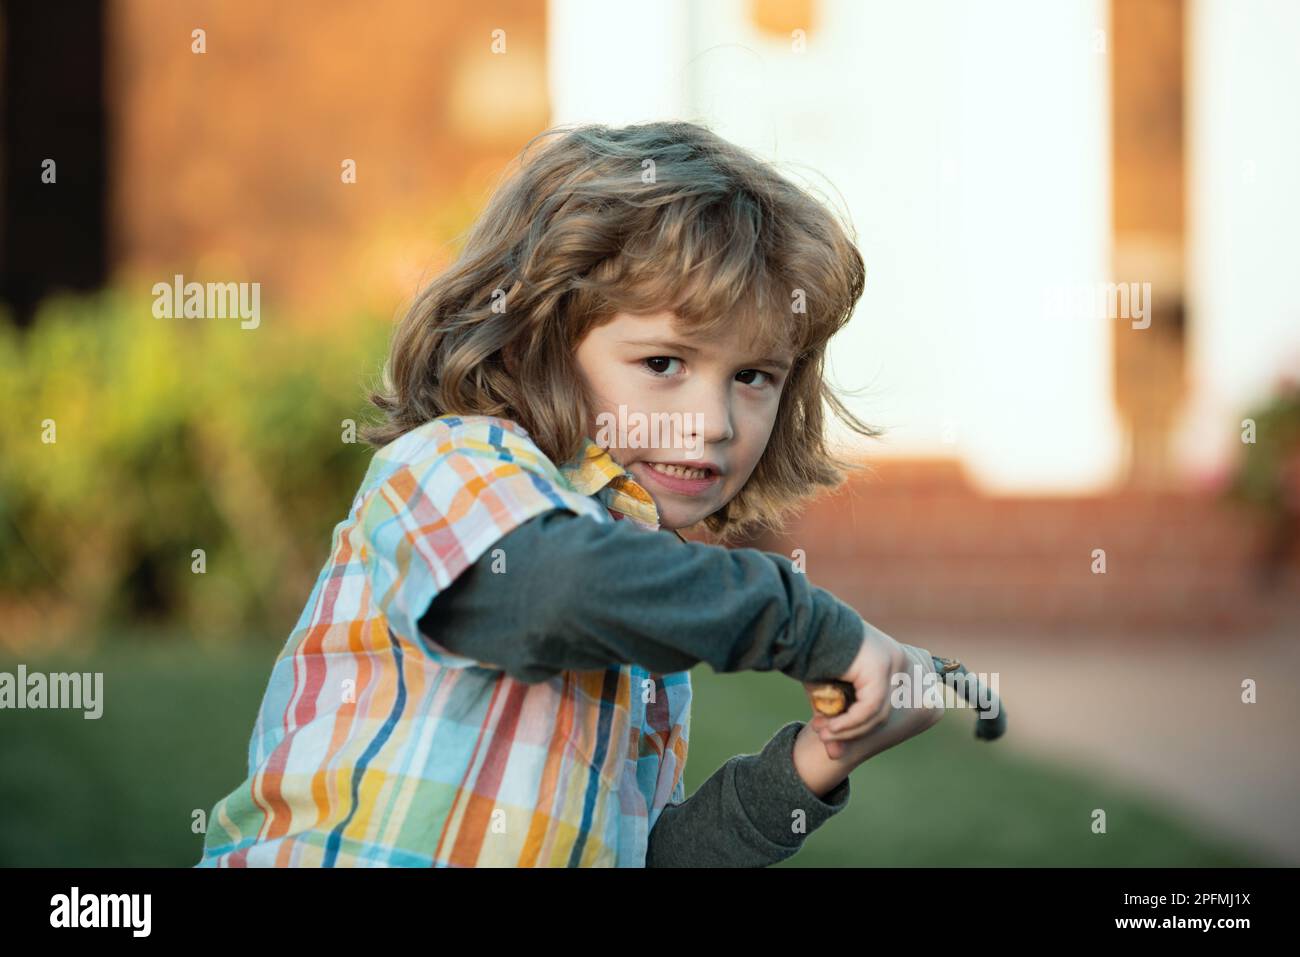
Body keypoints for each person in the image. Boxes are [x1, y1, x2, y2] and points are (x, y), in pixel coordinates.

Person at [196, 121, 942, 868]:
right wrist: (807, 625)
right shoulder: (454, 463)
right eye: (662, 361)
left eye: (753, 376)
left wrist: (814, 761)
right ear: (532, 338)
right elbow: (555, 588)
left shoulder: (651, 605)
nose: (712, 423)